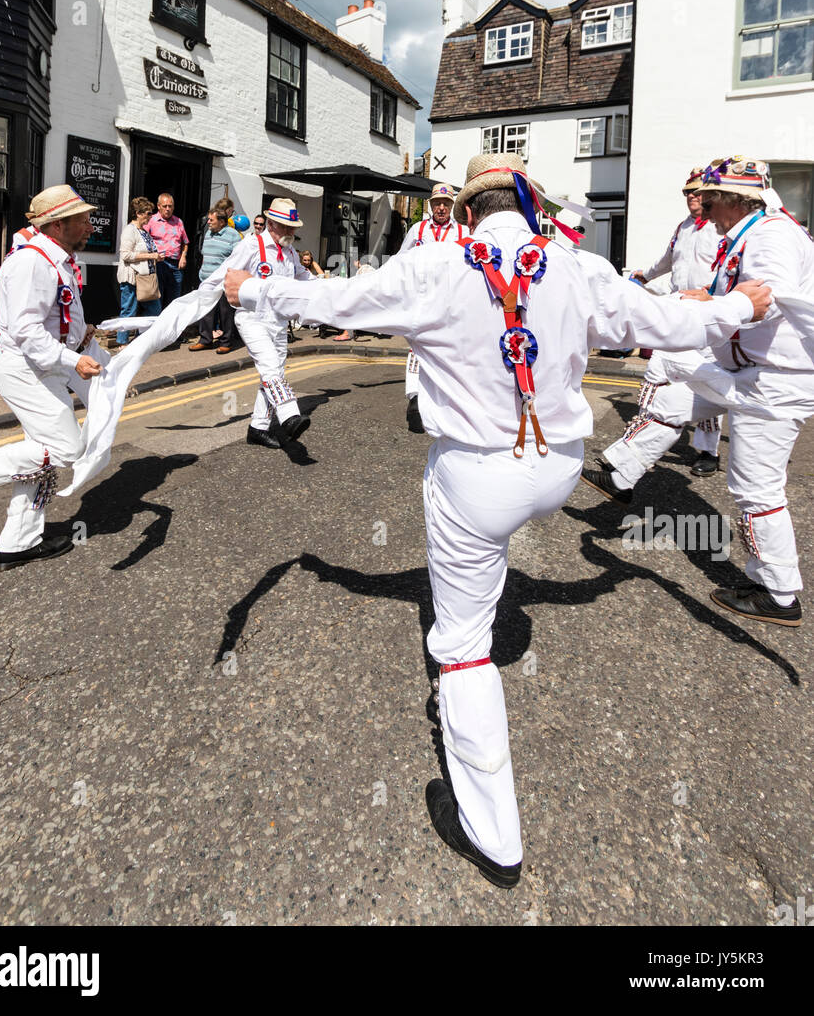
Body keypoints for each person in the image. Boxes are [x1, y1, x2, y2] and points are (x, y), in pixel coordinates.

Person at [223, 151, 769, 886]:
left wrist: (250, 290)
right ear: (531, 204)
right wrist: (742, 305)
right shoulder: (575, 265)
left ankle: (492, 833)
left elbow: (339, 303)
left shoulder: (437, 267)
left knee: (462, 645)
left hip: (478, 474)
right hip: (559, 466)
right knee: (496, 548)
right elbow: (670, 321)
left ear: (470, 209)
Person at [583, 154, 814, 627]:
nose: (701, 206)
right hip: (742, 369)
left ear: (732, 198)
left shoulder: (770, 234)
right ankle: (622, 475)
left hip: (772, 383)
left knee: (755, 486)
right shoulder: (746, 231)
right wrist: (706, 300)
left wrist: (715, 303)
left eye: (707, 198)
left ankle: (779, 590)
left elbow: (768, 297)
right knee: (671, 398)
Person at [0, 185, 110, 570]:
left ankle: (19, 541)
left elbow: (55, 316)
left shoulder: (58, 259)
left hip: (45, 367)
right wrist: (72, 360)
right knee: (67, 450)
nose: (91, 225)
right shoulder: (32, 263)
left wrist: (80, 337)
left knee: (40, 453)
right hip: (26, 371)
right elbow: (26, 330)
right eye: (83, 219)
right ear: (58, 224)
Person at [628, 167, 724, 476]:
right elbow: (667, 261)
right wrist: (644, 275)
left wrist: (716, 295)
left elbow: (730, 270)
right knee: (658, 373)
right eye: (687, 192)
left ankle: (708, 451)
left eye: (697, 192)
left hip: (710, 316)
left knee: (707, 383)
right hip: (678, 312)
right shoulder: (683, 227)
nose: (692, 197)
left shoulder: (721, 227)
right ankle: (643, 441)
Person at [225, 198, 316, 449]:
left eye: (293, 227)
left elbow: (302, 276)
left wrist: (326, 287)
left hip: (278, 321)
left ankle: (258, 427)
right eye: (286, 226)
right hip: (250, 317)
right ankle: (289, 416)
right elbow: (229, 275)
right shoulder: (251, 245)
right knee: (270, 366)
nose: (291, 232)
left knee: (273, 372)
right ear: (272, 223)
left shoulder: (289, 252)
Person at [398, 182, 467, 433]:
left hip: (450, 301)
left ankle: (445, 401)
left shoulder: (463, 232)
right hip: (421, 298)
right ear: (430, 205)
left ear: (451, 206)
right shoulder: (418, 230)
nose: (441, 207)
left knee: (447, 349)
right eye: (437, 203)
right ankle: (415, 399)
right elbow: (401, 260)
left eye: (445, 203)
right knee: (417, 347)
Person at [189, 204, 241, 353]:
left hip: (224, 281)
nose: (209, 222)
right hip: (207, 280)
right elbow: (205, 255)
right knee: (206, 312)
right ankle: (205, 340)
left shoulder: (233, 235)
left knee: (225, 313)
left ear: (222, 222)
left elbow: (238, 258)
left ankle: (226, 342)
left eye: (212, 220)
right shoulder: (208, 233)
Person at [116, 197, 161, 347]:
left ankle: (139, 339)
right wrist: (151, 256)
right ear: (138, 213)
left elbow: (148, 251)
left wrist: (157, 257)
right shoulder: (130, 230)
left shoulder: (144, 232)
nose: (150, 216)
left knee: (154, 310)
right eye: (148, 213)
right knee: (129, 310)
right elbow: (125, 255)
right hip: (132, 276)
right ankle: (122, 342)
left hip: (147, 278)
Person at [147, 193, 189, 308]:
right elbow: (143, 241)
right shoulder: (151, 221)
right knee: (157, 297)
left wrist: (183, 256)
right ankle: (158, 323)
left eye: (170, 206)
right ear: (158, 206)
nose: (168, 209)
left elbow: (185, 242)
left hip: (175, 265)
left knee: (174, 299)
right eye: (165, 206)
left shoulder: (178, 222)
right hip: (158, 264)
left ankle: (170, 324)